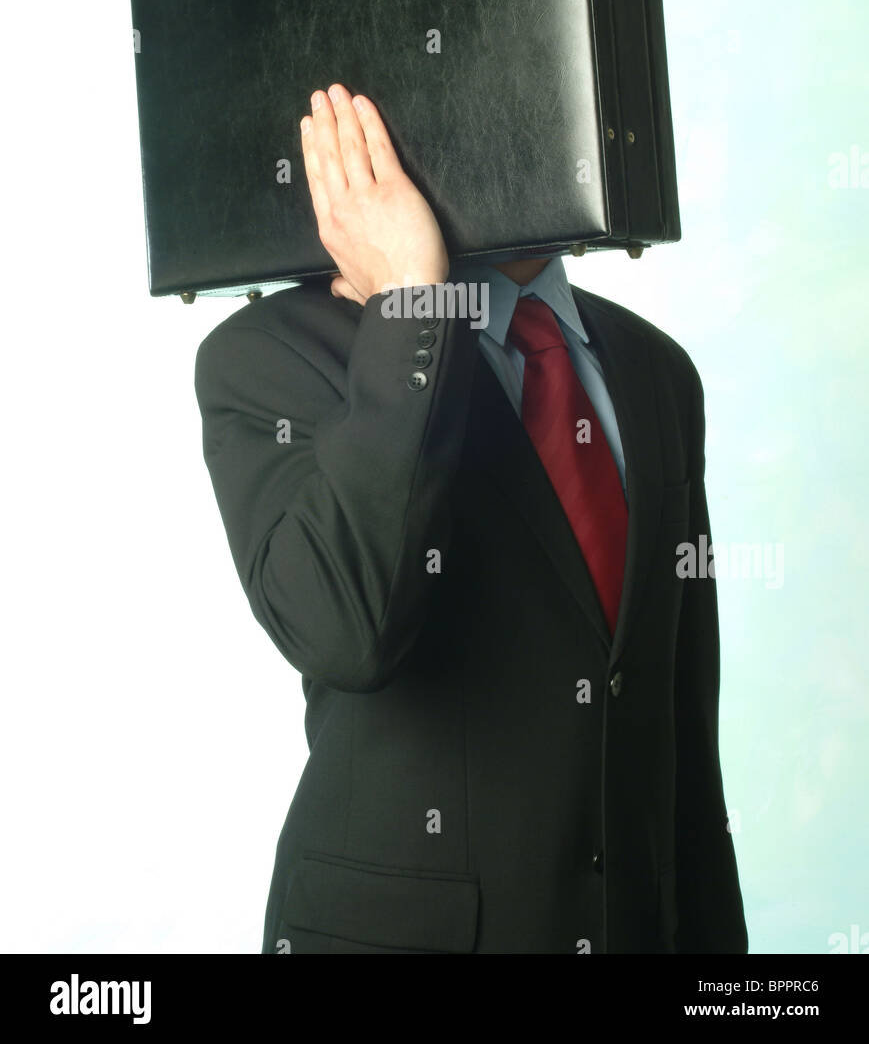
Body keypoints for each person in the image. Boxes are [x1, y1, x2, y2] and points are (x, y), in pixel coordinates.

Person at [194, 81, 748, 954]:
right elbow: (348, 631)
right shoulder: (270, 354)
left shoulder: (654, 370)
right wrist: (410, 304)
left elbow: (682, 714)